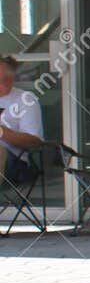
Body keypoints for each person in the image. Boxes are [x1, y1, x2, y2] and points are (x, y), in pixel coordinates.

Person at [0, 54, 43, 185]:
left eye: (7, 77)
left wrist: (2, 132)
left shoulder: (25, 99)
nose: (4, 82)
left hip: (14, 163)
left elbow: (34, 142)